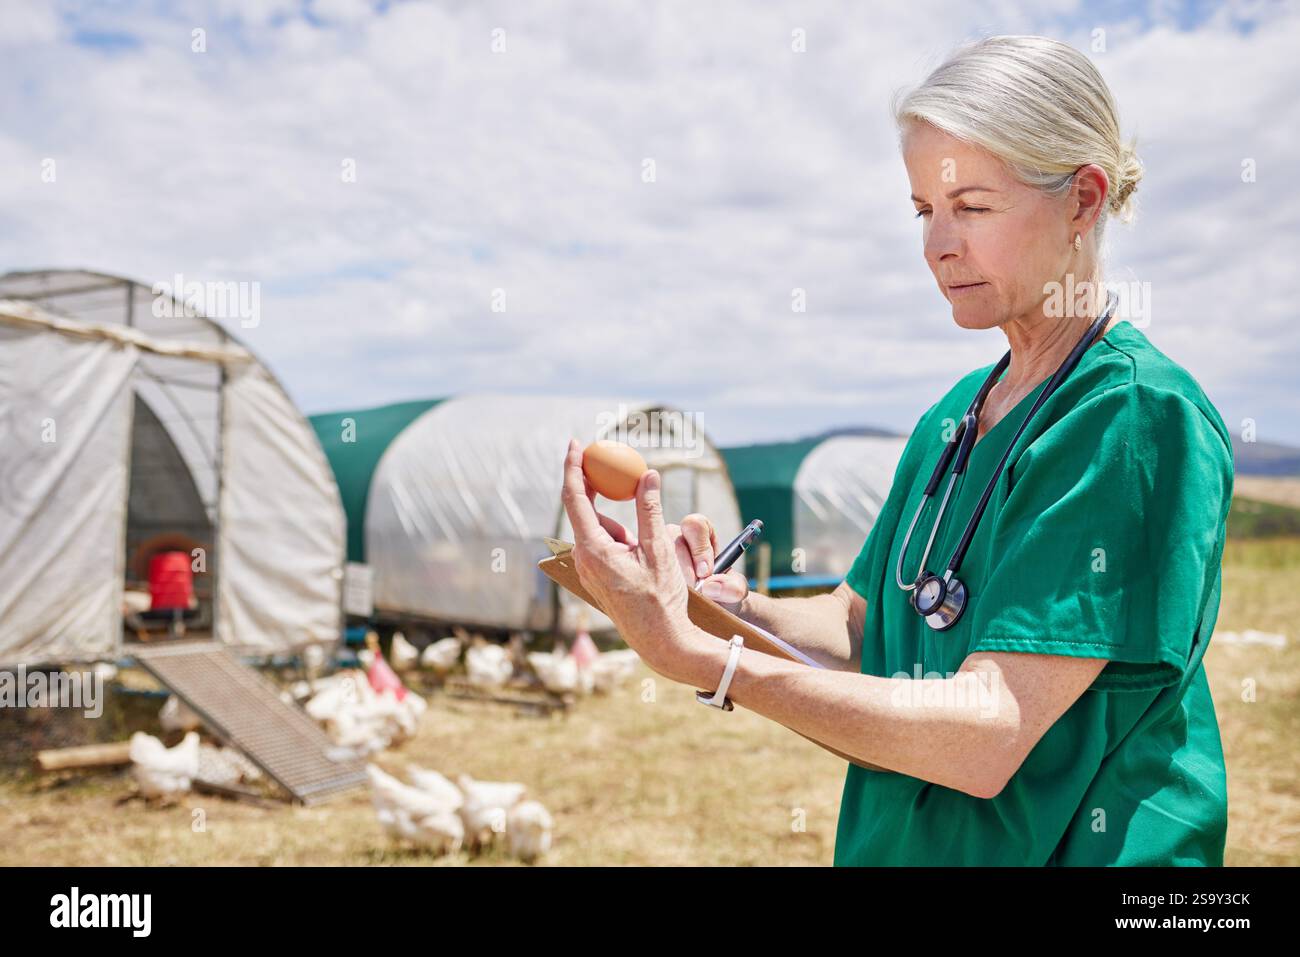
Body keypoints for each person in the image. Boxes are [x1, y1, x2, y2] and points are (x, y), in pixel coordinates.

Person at [559, 35, 1231, 866]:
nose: (936, 245)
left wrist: (706, 659)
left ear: (1084, 200)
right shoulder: (957, 417)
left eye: (973, 207)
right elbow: (864, 621)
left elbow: (989, 735)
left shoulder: (1132, 419)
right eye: (924, 210)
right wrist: (723, 605)